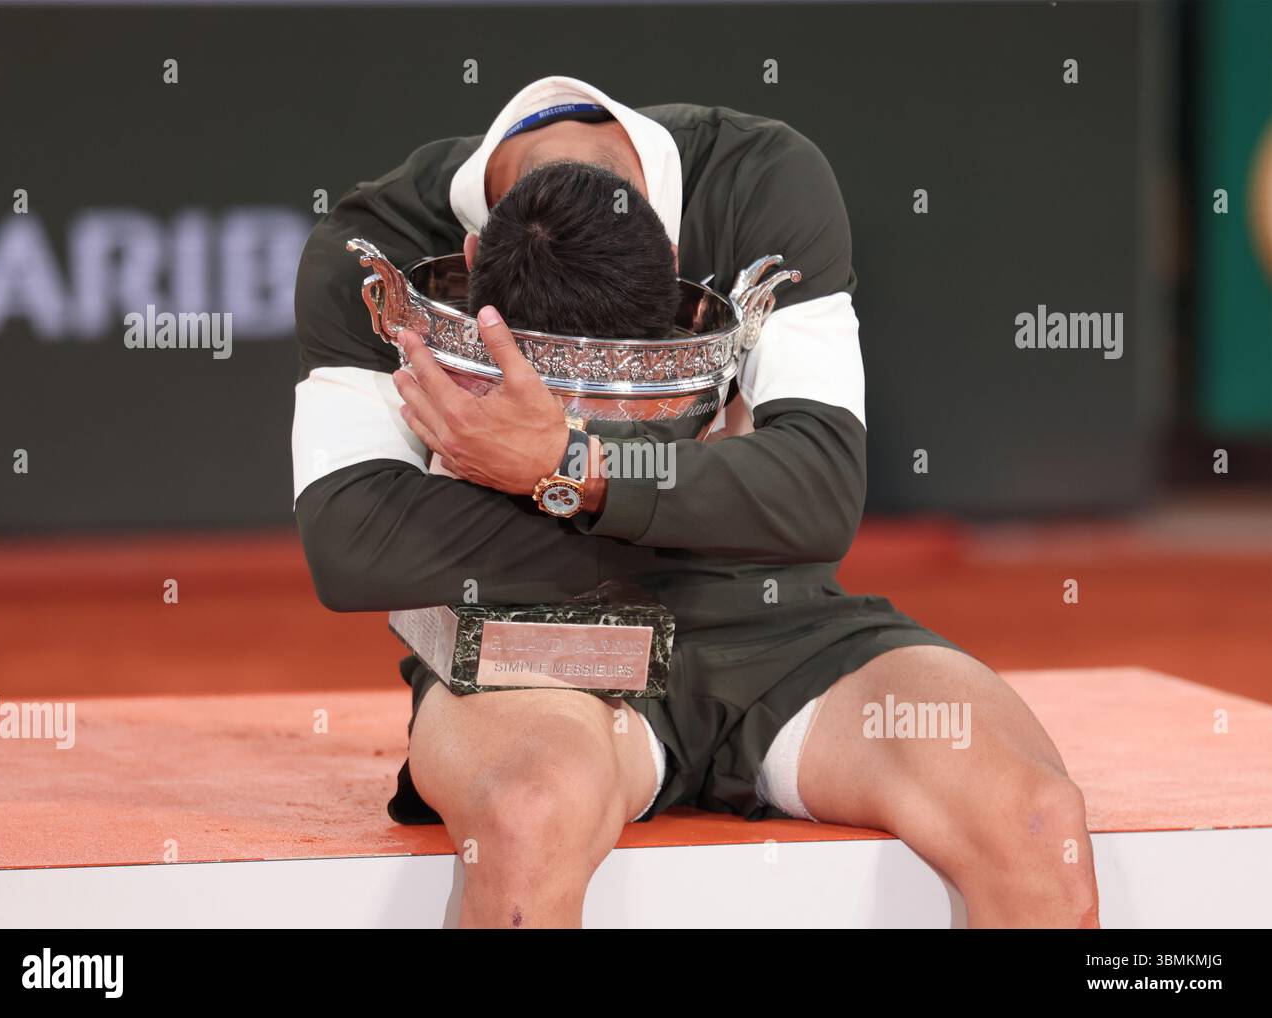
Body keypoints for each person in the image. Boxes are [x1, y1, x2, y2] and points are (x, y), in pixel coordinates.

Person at [292, 75, 1099, 929]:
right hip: (536, 646)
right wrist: (713, 496)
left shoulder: (761, 181)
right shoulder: (373, 247)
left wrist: (562, 466)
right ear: (467, 257)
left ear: (678, 265)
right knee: (528, 818)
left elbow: (820, 493)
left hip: (780, 634)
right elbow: (350, 543)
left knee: (1039, 822)